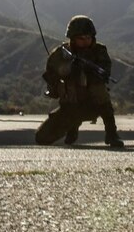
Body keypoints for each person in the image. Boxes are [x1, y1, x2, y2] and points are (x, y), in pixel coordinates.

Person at [35, 15, 123, 147]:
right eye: (81, 38)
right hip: (69, 107)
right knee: (42, 138)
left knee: (99, 88)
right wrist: (68, 71)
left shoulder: (99, 51)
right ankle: (72, 126)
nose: (85, 41)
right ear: (72, 38)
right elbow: (50, 74)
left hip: (93, 105)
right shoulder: (61, 53)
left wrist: (87, 71)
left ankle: (111, 133)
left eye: (88, 38)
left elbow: (105, 72)